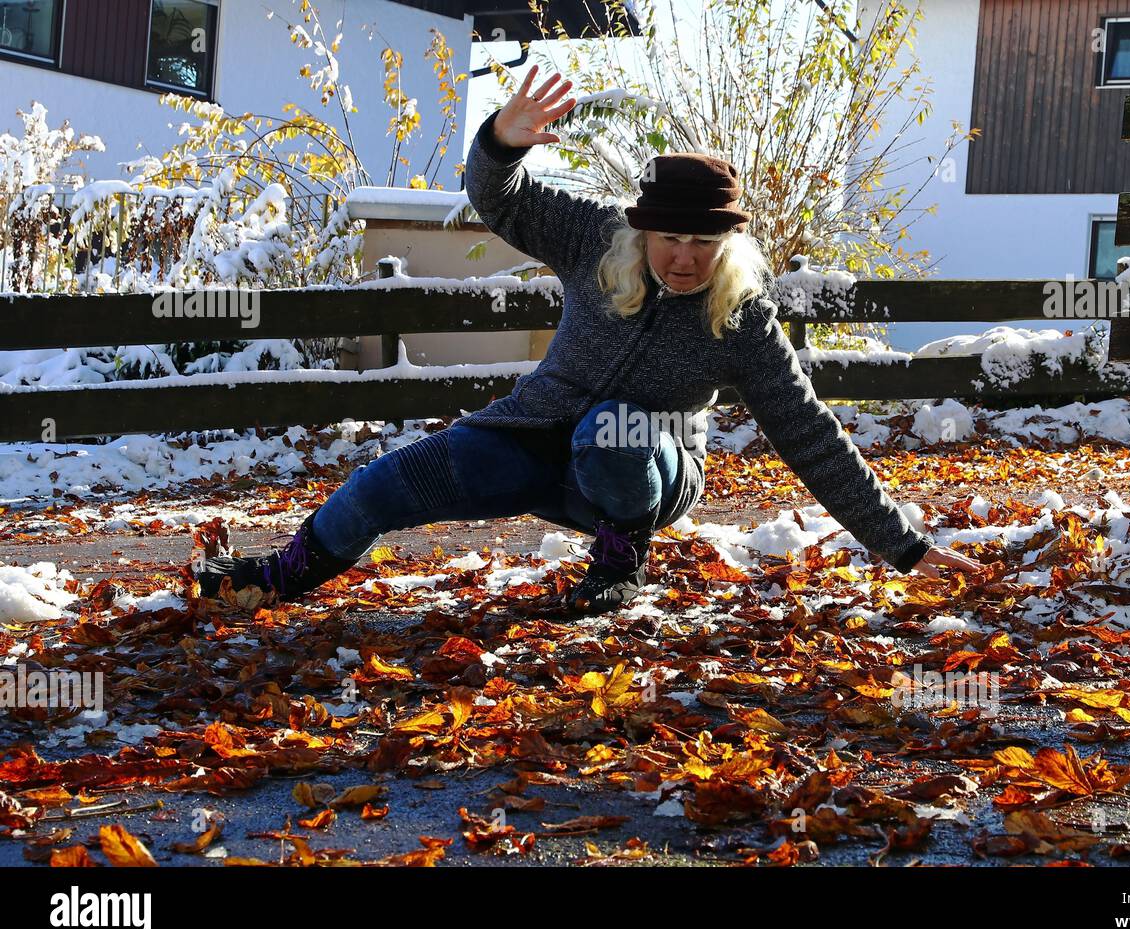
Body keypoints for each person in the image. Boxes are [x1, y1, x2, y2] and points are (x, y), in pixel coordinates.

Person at [196, 65, 980, 614]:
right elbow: (499, 199)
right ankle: (273, 577)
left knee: (613, 429)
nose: (683, 258)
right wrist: (500, 143)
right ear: (641, 232)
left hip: (647, 470)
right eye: (670, 239)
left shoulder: (742, 316)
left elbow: (809, 434)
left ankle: (619, 562)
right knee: (383, 487)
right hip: (532, 441)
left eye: (703, 246)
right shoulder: (594, 237)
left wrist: (904, 546)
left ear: (728, 249)